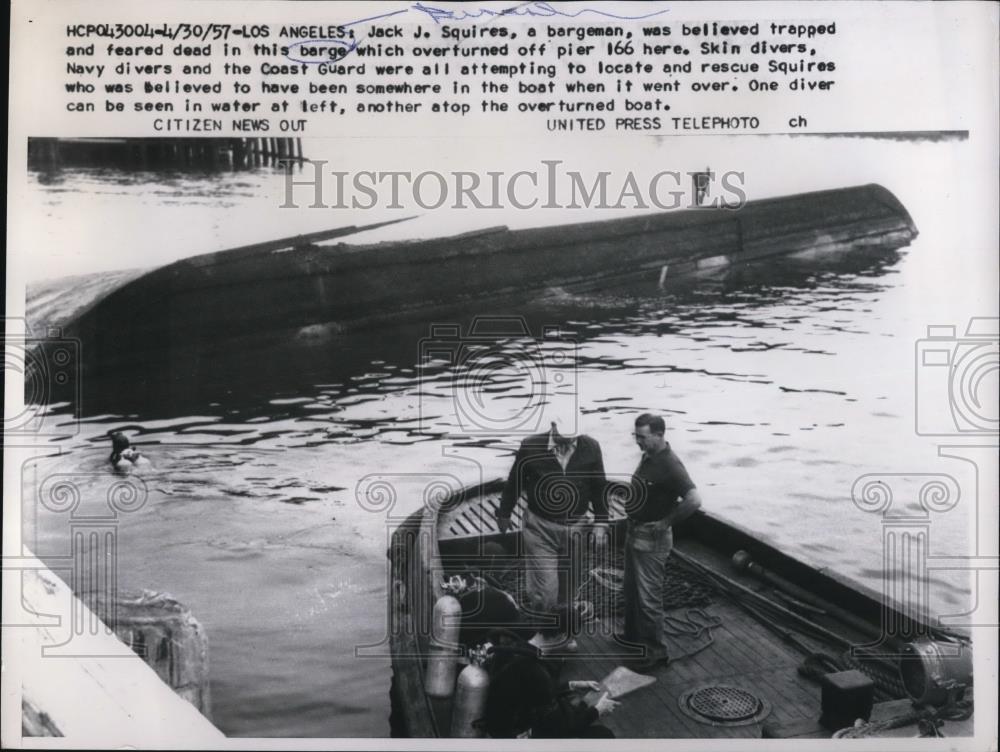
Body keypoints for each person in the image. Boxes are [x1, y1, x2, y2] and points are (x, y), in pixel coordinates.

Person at [497, 410, 610, 653]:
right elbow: (514, 481)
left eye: (573, 437)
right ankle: (544, 634)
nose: (568, 442)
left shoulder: (591, 447)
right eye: (563, 436)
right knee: (546, 591)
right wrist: (504, 513)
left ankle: (564, 633)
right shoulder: (530, 446)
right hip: (540, 528)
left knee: (568, 589)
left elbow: (599, 486)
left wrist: (601, 522)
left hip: (576, 527)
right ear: (553, 426)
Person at [621, 413, 703, 671]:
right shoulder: (650, 455)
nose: (638, 442)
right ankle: (633, 637)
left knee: (649, 597)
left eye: (642, 437)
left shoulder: (670, 464)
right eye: (636, 436)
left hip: (651, 539)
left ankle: (656, 651)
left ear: (659, 435)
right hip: (634, 532)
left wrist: (665, 523)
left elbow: (694, 499)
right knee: (631, 589)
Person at [483, 630, 618, 738]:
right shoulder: (536, 670)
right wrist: (597, 711)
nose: (571, 645)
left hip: (498, 723)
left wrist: (572, 685)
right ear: (561, 636)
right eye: (570, 639)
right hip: (516, 735)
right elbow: (561, 728)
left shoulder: (514, 650)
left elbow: (534, 691)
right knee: (603, 734)